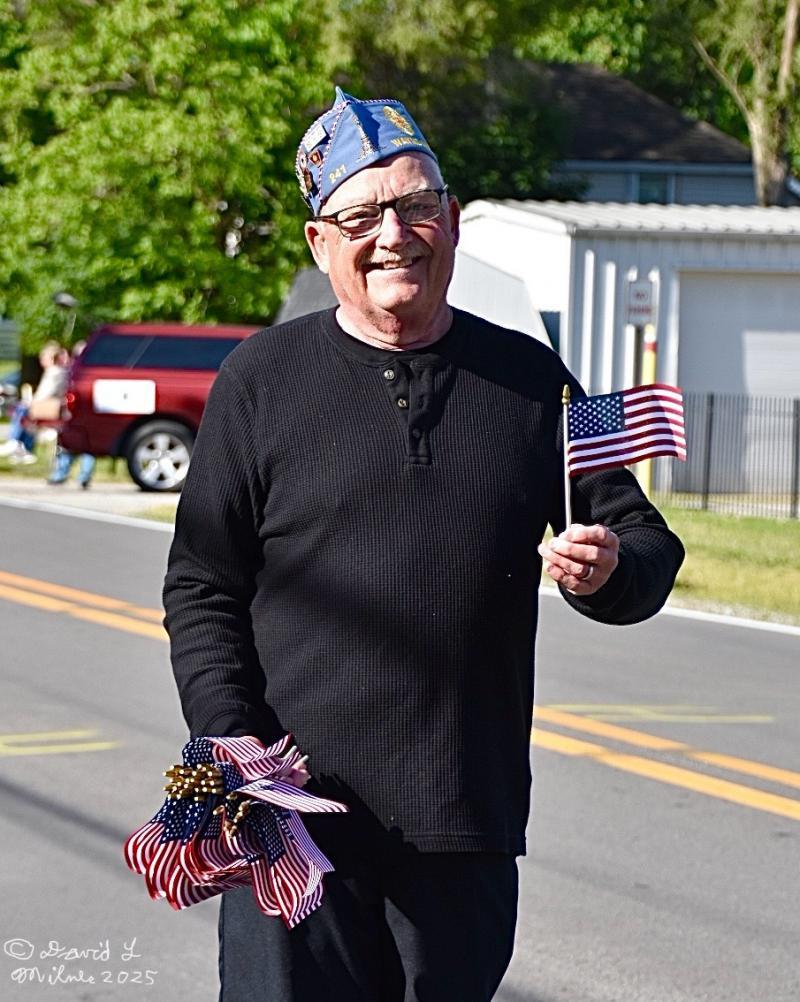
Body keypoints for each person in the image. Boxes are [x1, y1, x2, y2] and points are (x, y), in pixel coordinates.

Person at [163, 88, 684, 1002]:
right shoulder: (256, 379)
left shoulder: (537, 376)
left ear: (450, 219)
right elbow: (202, 588)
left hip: (463, 823)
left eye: (413, 205)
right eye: (360, 215)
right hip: (294, 829)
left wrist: (609, 569)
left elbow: (644, 540)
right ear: (322, 243)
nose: (392, 233)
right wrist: (232, 741)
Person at [0, 341, 67, 464]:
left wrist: (30, 401)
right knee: (22, 409)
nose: (41, 360)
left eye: (43, 357)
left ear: (52, 358)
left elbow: (46, 394)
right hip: (50, 404)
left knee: (23, 409)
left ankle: (17, 442)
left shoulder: (55, 372)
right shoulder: (53, 372)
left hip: (53, 406)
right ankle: (20, 444)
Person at [47, 341, 96, 488]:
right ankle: (67, 474)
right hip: (77, 413)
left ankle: (76, 475)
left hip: (86, 413)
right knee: (73, 445)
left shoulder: (76, 371)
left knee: (83, 446)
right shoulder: (77, 370)